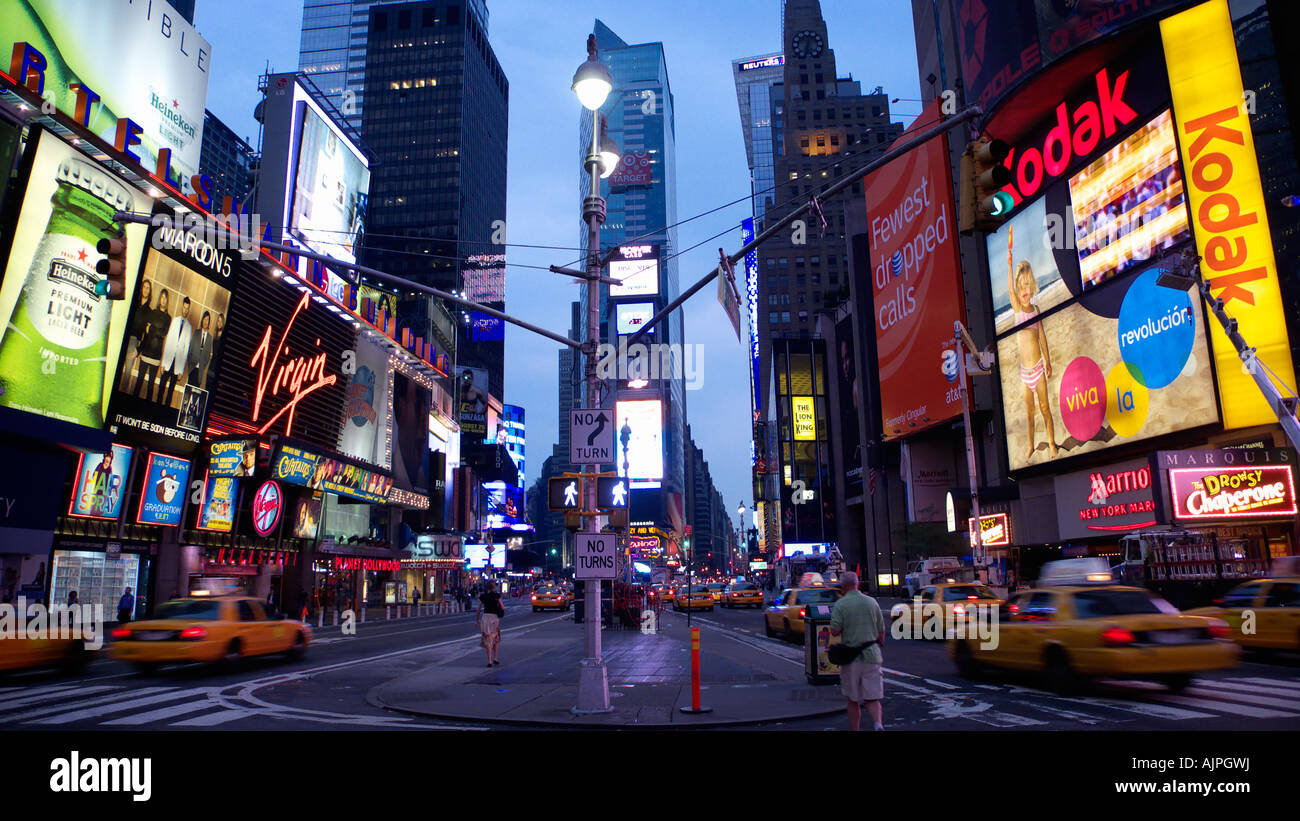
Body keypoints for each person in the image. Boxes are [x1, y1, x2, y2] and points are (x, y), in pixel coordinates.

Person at [1006, 226, 1059, 462]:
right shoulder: (1017, 308)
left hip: (1037, 367)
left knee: (1045, 408)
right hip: (1024, 372)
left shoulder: (1035, 310)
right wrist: (1009, 263)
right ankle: (1029, 445)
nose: (1026, 290)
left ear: (1033, 285)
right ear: (1019, 288)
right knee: (1029, 413)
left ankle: (1051, 442)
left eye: (1029, 286)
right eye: (1022, 286)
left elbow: (1043, 338)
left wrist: (1047, 361)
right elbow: (1009, 287)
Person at [828, 572, 886, 731]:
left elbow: (834, 630)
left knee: (853, 699)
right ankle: (878, 724)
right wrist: (879, 643)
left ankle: (856, 729)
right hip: (872, 655)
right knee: (872, 698)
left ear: (843, 587)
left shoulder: (841, 604)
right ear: (857, 584)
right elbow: (881, 631)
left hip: (851, 657)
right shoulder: (872, 602)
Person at [159, 296, 194, 406]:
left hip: (177, 365)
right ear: (182, 307)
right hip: (168, 361)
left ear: (189, 309)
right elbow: (168, 341)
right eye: (184, 307)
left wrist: (181, 370)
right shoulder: (174, 320)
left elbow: (186, 350)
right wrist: (163, 363)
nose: (185, 310)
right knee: (161, 388)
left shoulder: (189, 327)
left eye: (187, 308)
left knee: (170, 392)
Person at [476, 582, 504, 666]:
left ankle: (489, 661)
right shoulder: (496, 596)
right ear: (493, 587)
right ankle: (495, 658)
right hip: (494, 618)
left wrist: (477, 620)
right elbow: (502, 607)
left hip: (485, 618)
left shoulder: (483, 596)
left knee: (488, 639)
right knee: (496, 638)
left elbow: (479, 609)